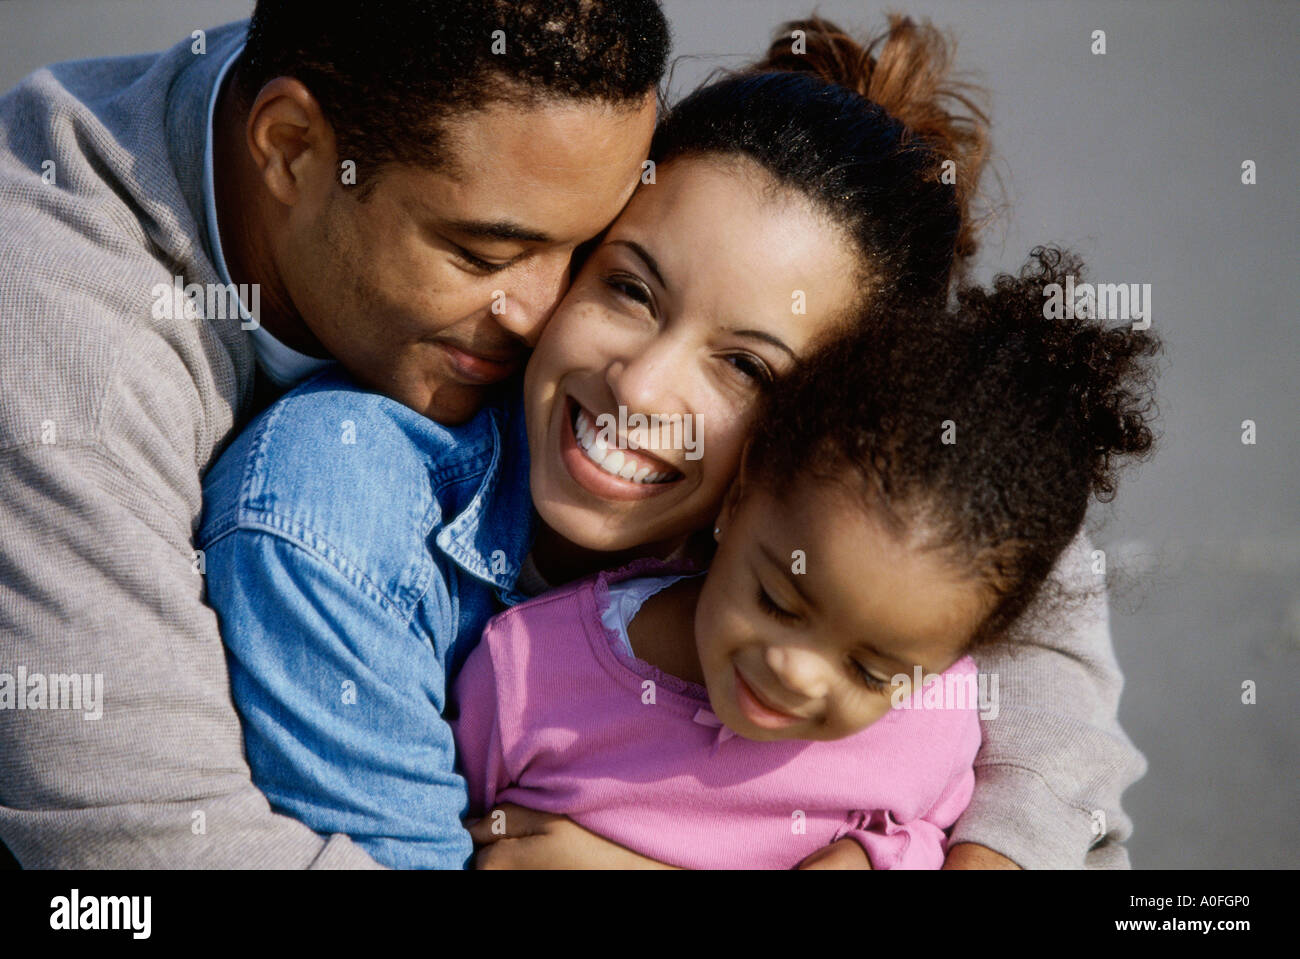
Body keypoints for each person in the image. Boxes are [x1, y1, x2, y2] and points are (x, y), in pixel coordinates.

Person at [202, 16, 1146, 870]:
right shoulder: (339, 501)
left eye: (746, 367)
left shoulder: (859, 548)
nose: (642, 385)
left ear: (837, 420)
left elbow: (1035, 586)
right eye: (630, 289)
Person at [0, 0, 670, 869]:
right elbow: (149, 854)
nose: (547, 318)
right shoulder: (70, 382)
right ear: (288, 147)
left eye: (591, 254)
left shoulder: (383, 90)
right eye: (483, 255)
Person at [450, 247, 1160, 870]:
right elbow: (440, 831)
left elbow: (924, 835)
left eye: (869, 669)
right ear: (740, 496)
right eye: (778, 602)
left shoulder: (935, 720)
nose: (795, 670)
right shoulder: (525, 675)